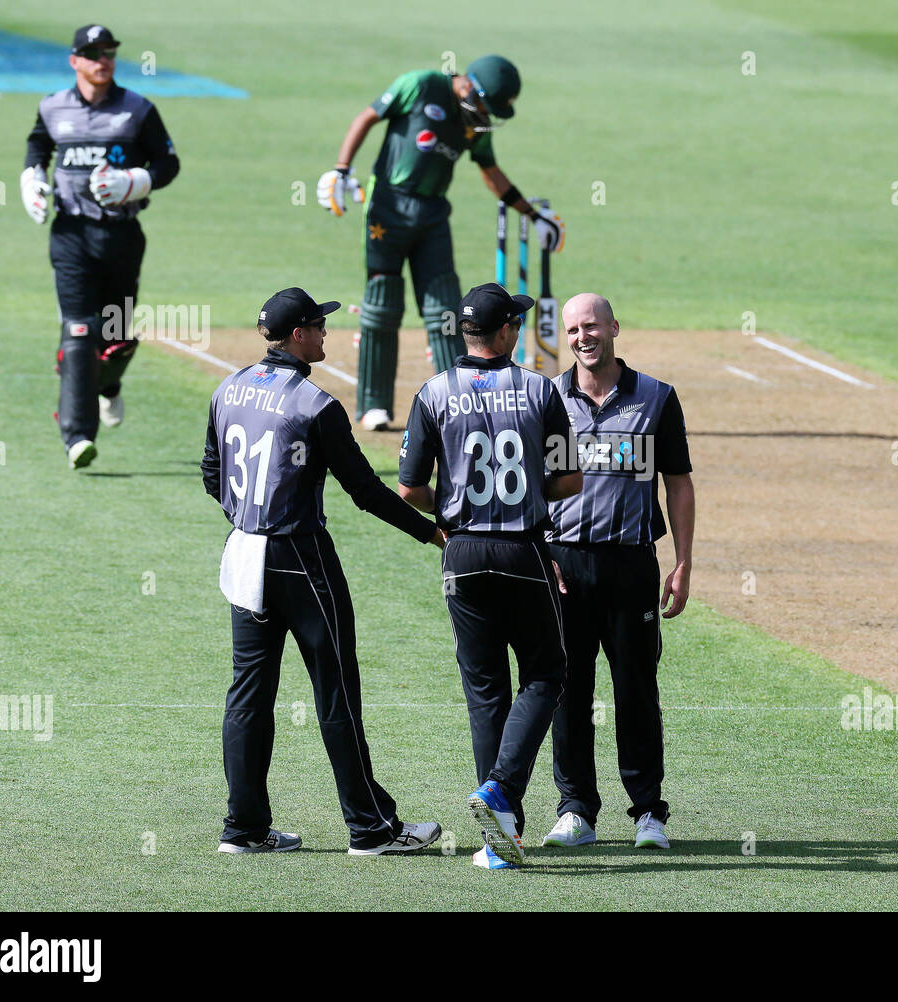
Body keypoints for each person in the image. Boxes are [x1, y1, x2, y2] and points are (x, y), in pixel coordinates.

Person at [201, 288, 444, 856]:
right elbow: (364, 491)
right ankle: (371, 829)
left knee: (248, 696)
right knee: (336, 691)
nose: (325, 334)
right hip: (302, 558)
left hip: (244, 553)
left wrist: (247, 517)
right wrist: (429, 531)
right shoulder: (315, 405)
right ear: (295, 337)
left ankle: (243, 829)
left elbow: (212, 473)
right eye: (317, 326)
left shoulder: (227, 388)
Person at [397, 283, 581, 870]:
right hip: (522, 551)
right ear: (503, 333)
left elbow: (409, 489)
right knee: (548, 672)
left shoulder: (433, 391)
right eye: (517, 325)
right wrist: (528, 484)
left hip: (461, 551)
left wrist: (449, 507)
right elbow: (569, 480)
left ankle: (498, 839)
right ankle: (501, 789)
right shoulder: (538, 390)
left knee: (485, 693)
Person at [316, 55, 564, 431]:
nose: (484, 114)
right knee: (383, 303)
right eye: (483, 103)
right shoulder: (421, 84)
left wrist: (532, 214)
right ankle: (373, 406)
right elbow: (366, 117)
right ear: (467, 86)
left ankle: (459, 397)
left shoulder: (474, 126)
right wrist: (341, 170)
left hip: (433, 213)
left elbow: (491, 173)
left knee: (446, 307)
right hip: (388, 206)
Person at [540, 294, 694, 851]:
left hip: (631, 565)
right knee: (567, 690)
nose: (584, 337)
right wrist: (541, 554)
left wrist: (683, 561)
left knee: (636, 690)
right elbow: (531, 486)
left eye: (593, 326)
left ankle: (648, 812)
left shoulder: (656, 398)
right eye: (574, 329)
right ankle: (575, 810)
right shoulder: (547, 397)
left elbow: (678, 480)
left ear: (614, 328)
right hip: (563, 566)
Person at [22, 24, 180, 469]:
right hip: (71, 234)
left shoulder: (137, 109)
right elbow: (38, 144)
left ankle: (108, 385)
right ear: (74, 61)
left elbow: (168, 161)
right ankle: (77, 437)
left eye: (108, 53)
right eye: (92, 54)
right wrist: (32, 177)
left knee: (118, 338)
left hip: (122, 237)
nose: (102, 61)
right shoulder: (53, 107)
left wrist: (137, 180)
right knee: (78, 332)